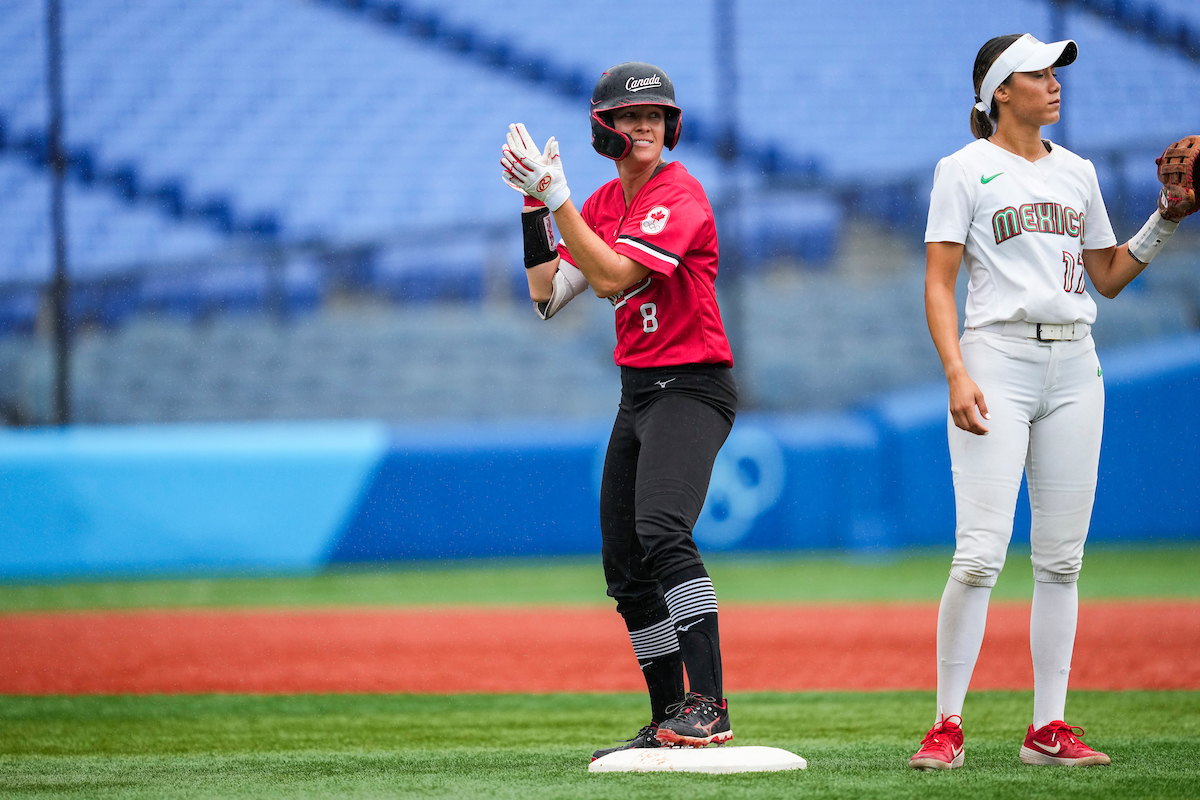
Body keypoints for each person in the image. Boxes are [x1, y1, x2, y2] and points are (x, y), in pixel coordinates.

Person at [913, 33, 1195, 770]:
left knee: (1061, 562)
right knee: (978, 555)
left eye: (1053, 71)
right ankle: (946, 725)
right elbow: (938, 282)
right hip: (996, 356)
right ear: (1001, 90)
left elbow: (1104, 273)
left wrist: (1165, 217)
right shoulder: (964, 169)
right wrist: (954, 370)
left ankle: (1049, 728)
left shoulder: (1077, 172)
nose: (1054, 82)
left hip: (1075, 362)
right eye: (1038, 73)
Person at [500, 62, 737, 760]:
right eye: (630, 117)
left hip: (693, 385)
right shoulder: (602, 203)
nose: (643, 127)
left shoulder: (679, 194)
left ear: (671, 127)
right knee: (625, 568)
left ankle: (711, 706)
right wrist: (533, 207)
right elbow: (548, 295)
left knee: (663, 529)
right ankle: (670, 712)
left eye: (655, 117)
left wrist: (560, 197)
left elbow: (610, 278)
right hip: (640, 391)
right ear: (604, 127)